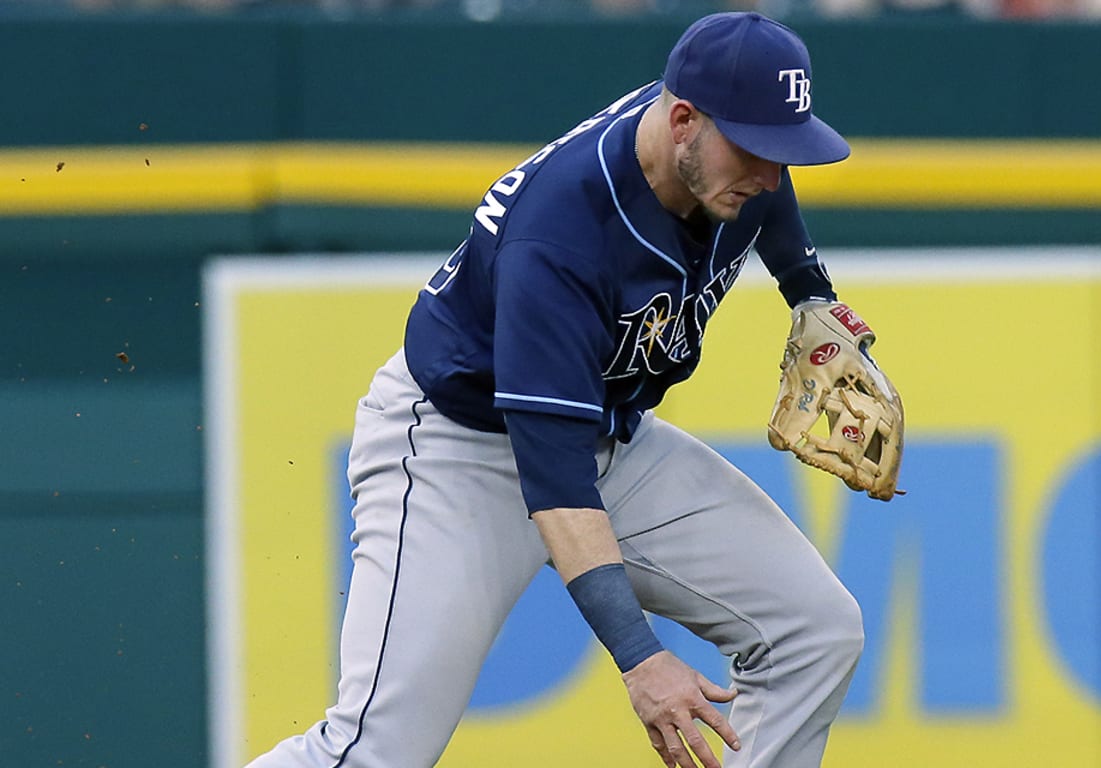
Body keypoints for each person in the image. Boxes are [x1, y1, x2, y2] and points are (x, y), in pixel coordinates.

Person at [248, 11, 888, 768]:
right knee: (374, 750)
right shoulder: (559, 235)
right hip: (459, 452)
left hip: (606, 434)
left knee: (814, 629)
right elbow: (554, 483)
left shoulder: (714, 147)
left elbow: (765, 183)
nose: (770, 173)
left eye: (784, 151)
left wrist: (808, 291)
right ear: (682, 121)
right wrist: (641, 660)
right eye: (756, 150)